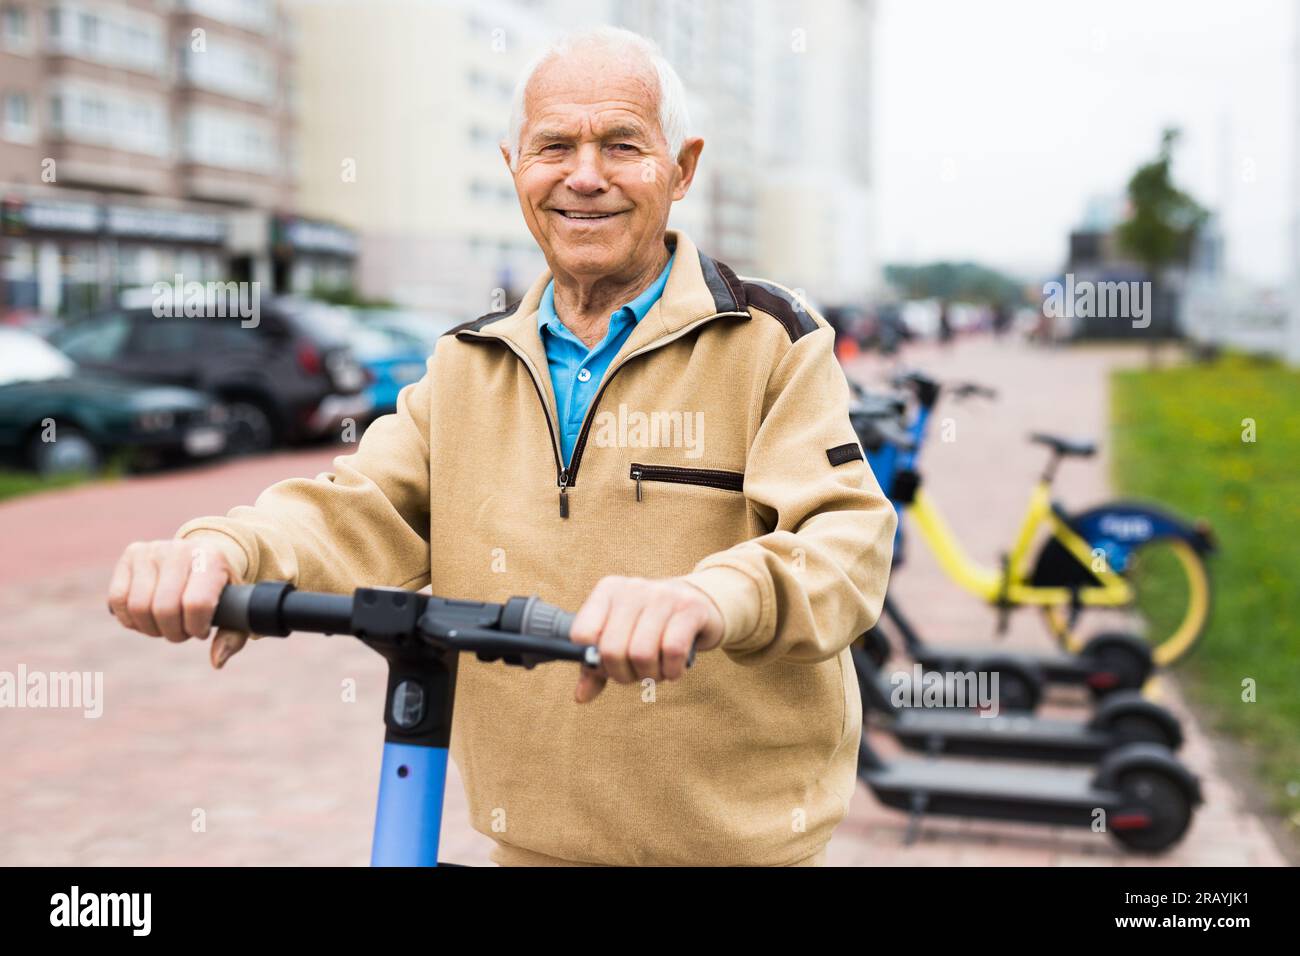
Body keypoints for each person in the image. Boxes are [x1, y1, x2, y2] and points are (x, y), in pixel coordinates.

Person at [107, 26, 896, 867]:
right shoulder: (466, 360)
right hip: (526, 845)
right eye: (554, 145)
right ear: (515, 165)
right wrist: (229, 549)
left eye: (621, 145)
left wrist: (712, 598)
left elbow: (845, 549)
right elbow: (358, 510)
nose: (584, 176)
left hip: (737, 853)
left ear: (682, 167)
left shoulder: (768, 336)